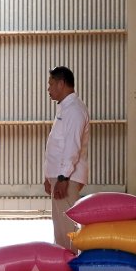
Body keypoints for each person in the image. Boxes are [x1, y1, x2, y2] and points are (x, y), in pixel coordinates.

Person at [43, 65, 89, 249]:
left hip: (66, 178)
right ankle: (64, 262)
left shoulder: (74, 110)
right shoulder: (65, 108)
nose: (48, 89)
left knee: (67, 231)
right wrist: (49, 177)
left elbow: (72, 147)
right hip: (60, 176)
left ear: (61, 84)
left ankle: (70, 265)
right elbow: (57, 146)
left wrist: (62, 178)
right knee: (61, 228)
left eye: (51, 84)